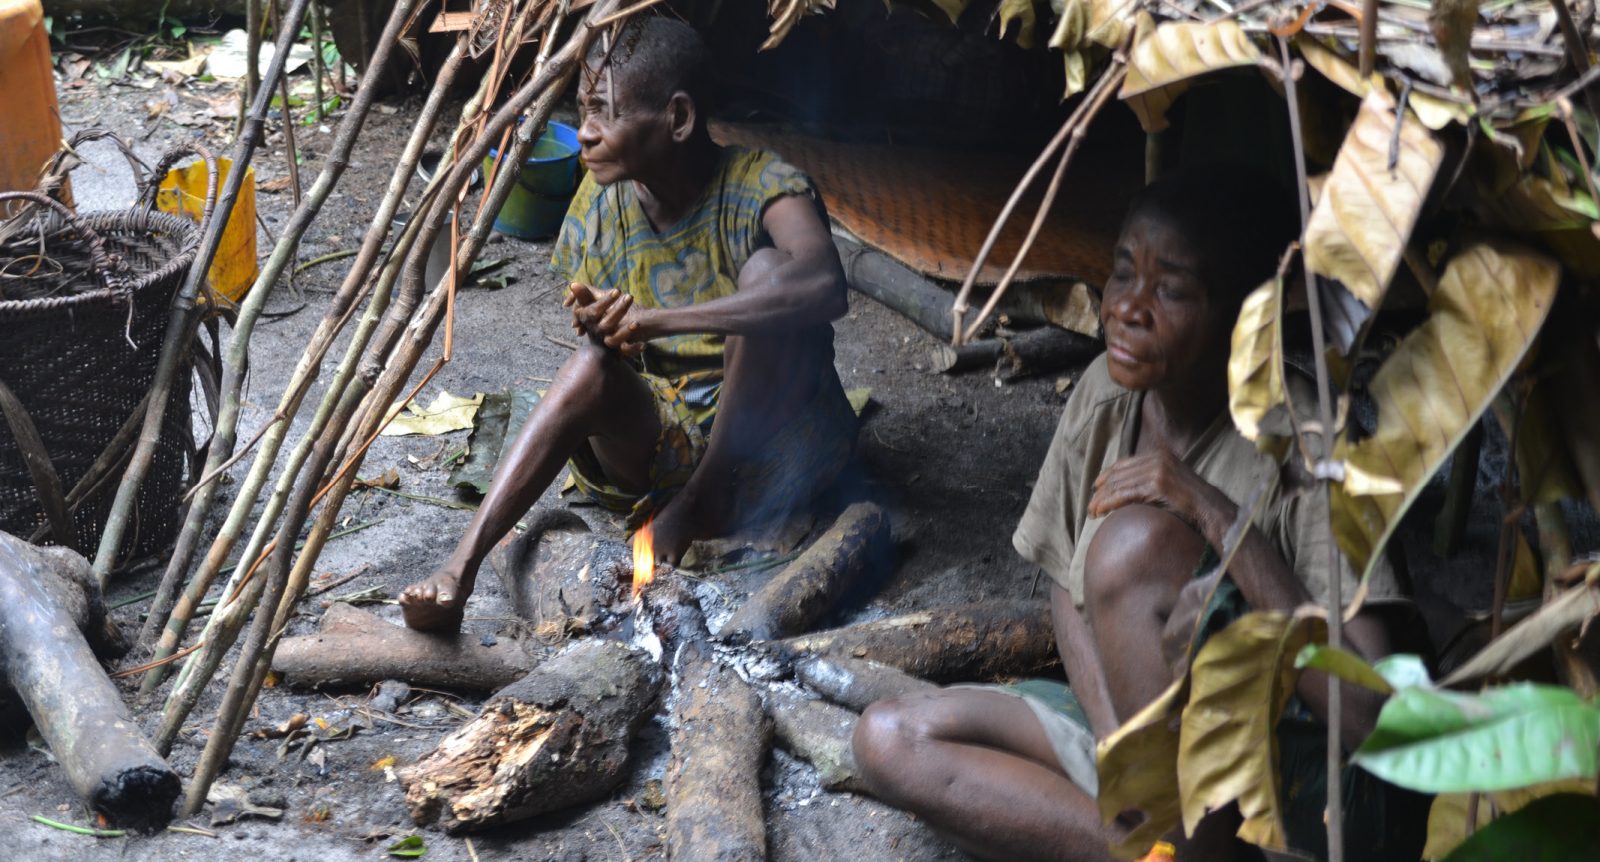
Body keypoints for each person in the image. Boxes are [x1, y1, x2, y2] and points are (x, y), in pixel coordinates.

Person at [850, 172, 1425, 861]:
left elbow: (1375, 721)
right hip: (1148, 749)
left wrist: (1213, 513)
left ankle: (1176, 844)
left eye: (1171, 290)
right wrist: (1114, 743)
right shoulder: (1105, 393)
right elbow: (1064, 585)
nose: (1127, 307)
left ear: (1244, 313)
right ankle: (1158, 850)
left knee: (1135, 547)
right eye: (1123, 273)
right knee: (889, 739)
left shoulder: (1308, 447)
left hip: (1287, 792)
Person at [400, 17, 856, 632]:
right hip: (659, 451)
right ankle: (460, 568)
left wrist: (658, 320)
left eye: (604, 112)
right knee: (589, 365)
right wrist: (603, 324)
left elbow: (824, 283)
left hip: (767, 449)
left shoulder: (763, 185)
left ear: (678, 118)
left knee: (769, 275)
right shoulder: (598, 201)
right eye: (582, 109)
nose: (584, 131)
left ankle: (701, 501)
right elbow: (609, 354)